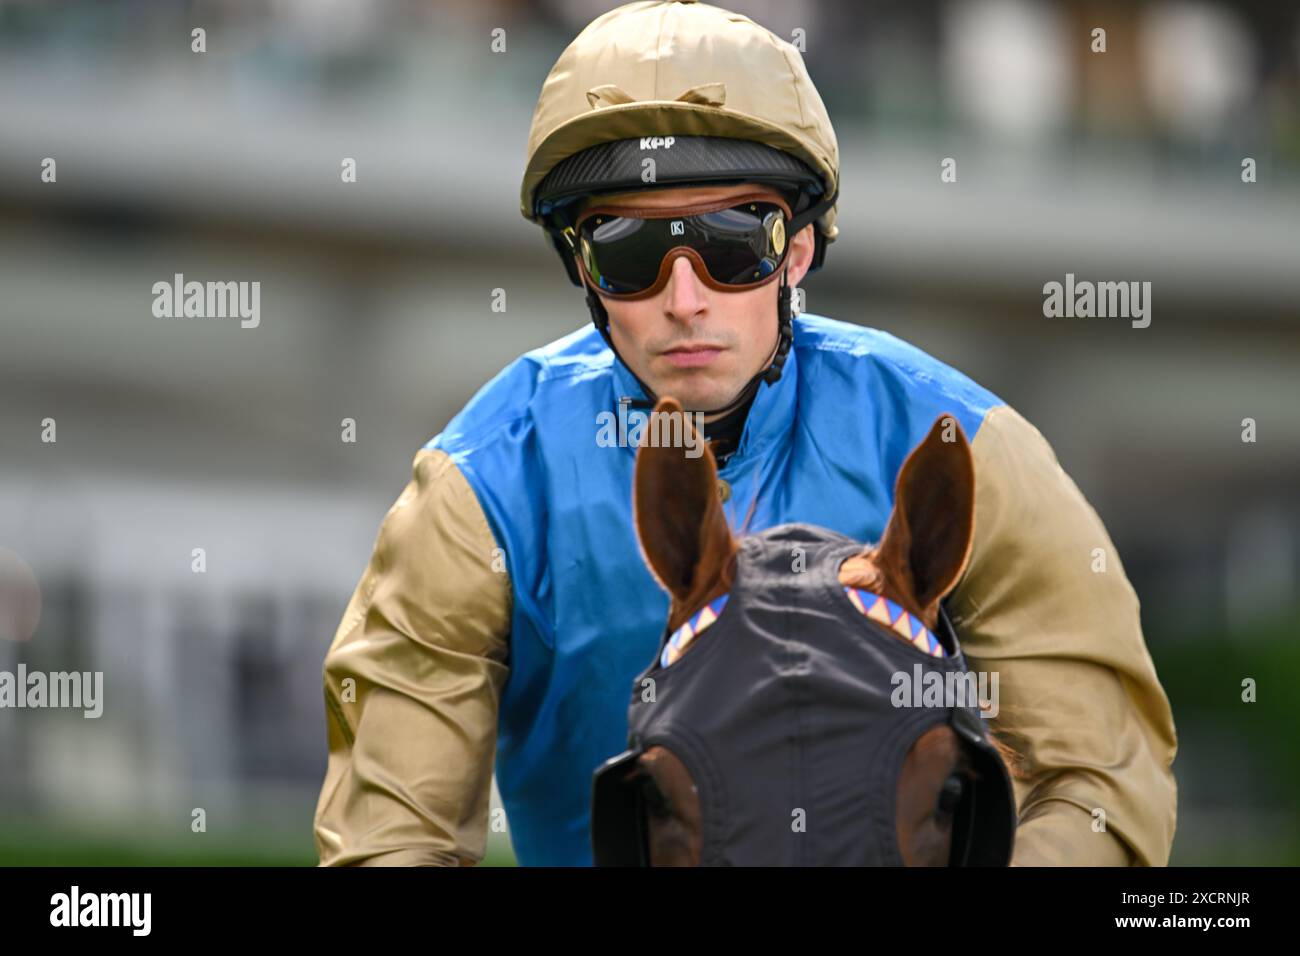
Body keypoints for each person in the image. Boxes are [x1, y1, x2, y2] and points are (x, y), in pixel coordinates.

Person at [312, 0, 1177, 867]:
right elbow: (393, 840)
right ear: (582, 267)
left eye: (732, 245)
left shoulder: (977, 448)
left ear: (798, 250)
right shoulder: (481, 490)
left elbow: (1096, 779)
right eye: (629, 249)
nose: (685, 300)